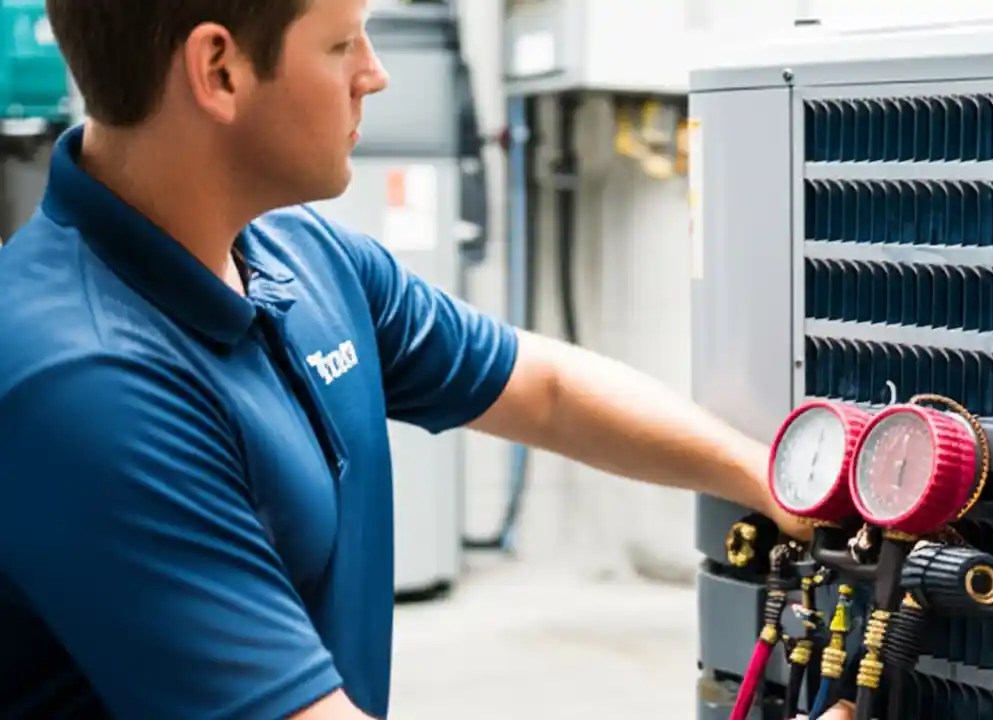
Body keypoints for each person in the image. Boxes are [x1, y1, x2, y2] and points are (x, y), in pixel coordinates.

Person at [0, 2, 859, 719]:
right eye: (341, 44)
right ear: (218, 69)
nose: (374, 74)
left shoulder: (303, 256)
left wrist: (777, 480)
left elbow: (545, 390)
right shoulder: (87, 385)